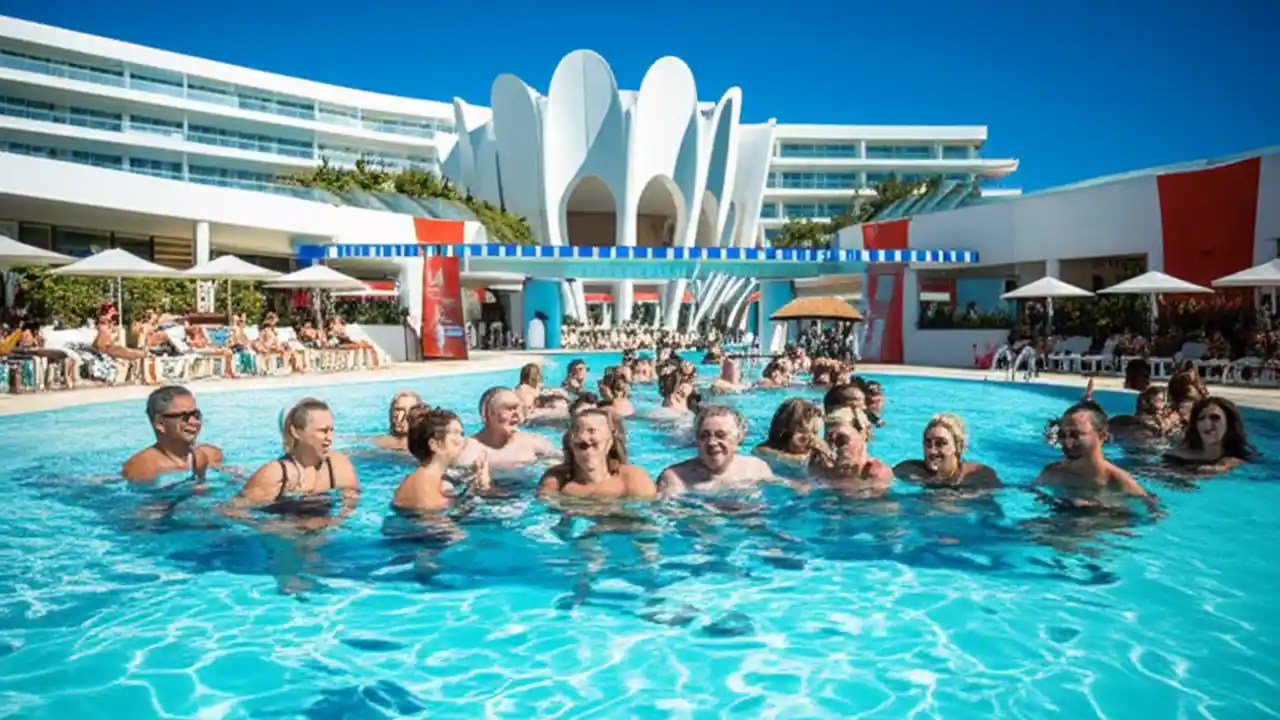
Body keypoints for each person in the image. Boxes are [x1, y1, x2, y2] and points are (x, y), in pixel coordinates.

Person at [232, 398, 360, 521]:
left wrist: (336, 522)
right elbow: (231, 511)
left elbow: (351, 502)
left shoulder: (338, 466)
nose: (330, 437)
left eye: (331, 430)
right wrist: (273, 528)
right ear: (296, 432)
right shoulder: (274, 474)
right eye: (323, 431)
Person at [1034, 402, 1156, 512]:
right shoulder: (1053, 472)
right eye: (1062, 435)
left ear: (1102, 436)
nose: (1067, 443)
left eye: (1075, 435)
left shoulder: (1119, 481)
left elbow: (1152, 515)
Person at [537, 409, 656, 499]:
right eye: (577, 430)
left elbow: (649, 523)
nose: (583, 437)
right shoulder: (557, 481)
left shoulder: (632, 479)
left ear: (610, 441)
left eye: (591, 431)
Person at [657, 406, 772, 498]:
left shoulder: (756, 469)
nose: (712, 442)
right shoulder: (676, 478)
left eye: (720, 435)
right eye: (704, 436)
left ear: (738, 438)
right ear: (696, 439)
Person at [393, 407, 490, 512]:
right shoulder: (425, 488)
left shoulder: (428, 479)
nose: (463, 441)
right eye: (456, 434)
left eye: (462, 434)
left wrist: (474, 488)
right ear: (435, 445)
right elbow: (443, 524)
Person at [121, 385, 224, 483]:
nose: (195, 422)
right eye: (185, 416)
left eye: (196, 415)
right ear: (160, 424)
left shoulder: (212, 455)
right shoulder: (143, 468)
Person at [454, 387, 562, 470]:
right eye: (509, 409)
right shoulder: (468, 450)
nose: (516, 414)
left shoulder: (534, 442)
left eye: (517, 408)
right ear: (487, 416)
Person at [894, 413, 999, 491]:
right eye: (928, 443)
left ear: (959, 447)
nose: (932, 451)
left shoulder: (977, 475)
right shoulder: (909, 470)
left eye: (941, 443)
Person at [810, 408, 893, 497]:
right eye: (829, 438)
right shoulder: (820, 465)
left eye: (841, 440)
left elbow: (884, 508)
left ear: (863, 435)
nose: (833, 447)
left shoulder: (876, 472)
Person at [1163, 397, 1255, 474]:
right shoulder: (1175, 455)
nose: (1207, 423)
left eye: (1215, 418)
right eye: (1201, 418)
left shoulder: (1236, 462)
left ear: (1229, 424)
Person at [753, 398, 825, 467]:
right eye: (803, 432)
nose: (812, 438)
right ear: (783, 433)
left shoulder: (819, 451)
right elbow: (759, 452)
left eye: (815, 432)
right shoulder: (763, 452)